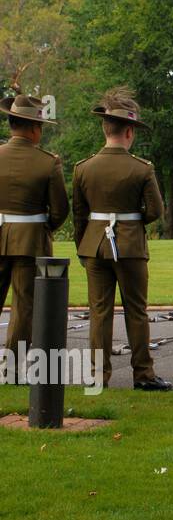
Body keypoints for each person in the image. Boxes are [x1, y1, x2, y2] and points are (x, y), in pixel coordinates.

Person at [73, 87, 169, 390]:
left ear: (105, 128)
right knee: (136, 311)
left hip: (94, 247)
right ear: (129, 132)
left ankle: (98, 376)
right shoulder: (141, 168)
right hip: (130, 247)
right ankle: (143, 374)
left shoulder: (83, 168)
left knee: (99, 313)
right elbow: (156, 210)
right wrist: (132, 222)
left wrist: (83, 247)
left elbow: (79, 215)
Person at [0, 94, 69, 357]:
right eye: (40, 126)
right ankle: (13, 366)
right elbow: (60, 209)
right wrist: (44, 228)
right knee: (24, 307)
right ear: (32, 128)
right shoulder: (48, 162)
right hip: (30, 241)